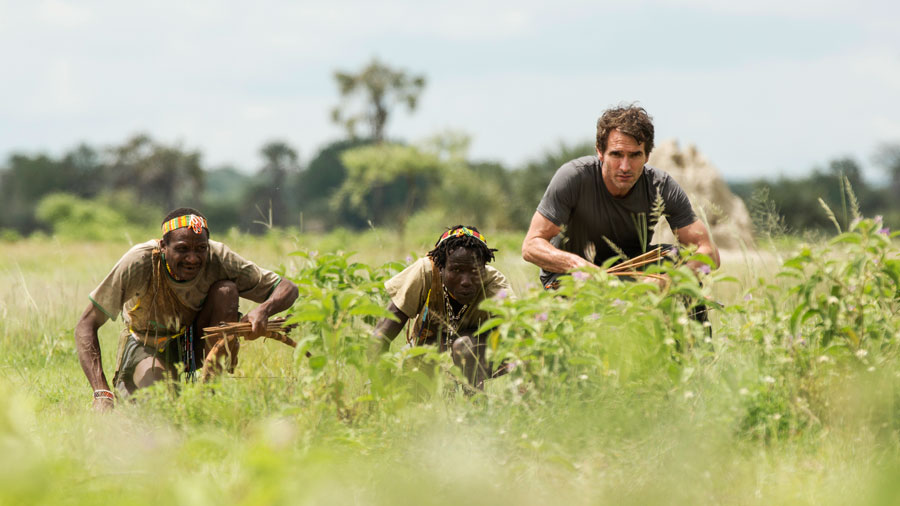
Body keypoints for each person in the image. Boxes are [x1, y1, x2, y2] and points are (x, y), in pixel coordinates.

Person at [75, 207, 299, 410]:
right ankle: (140, 389)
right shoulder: (139, 261)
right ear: (163, 246)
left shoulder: (219, 257)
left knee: (226, 291)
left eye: (201, 248)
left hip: (196, 341)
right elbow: (86, 324)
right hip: (148, 343)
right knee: (160, 405)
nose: (193, 258)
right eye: (182, 249)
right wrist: (101, 392)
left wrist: (264, 310)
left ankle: (213, 394)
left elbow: (287, 288)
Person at [522, 104, 720, 288]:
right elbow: (531, 246)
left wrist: (667, 282)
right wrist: (581, 266)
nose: (625, 167)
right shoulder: (574, 177)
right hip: (572, 276)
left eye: (634, 155)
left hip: (632, 270)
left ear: (647, 156)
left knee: (682, 262)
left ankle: (690, 327)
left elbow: (709, 253)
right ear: (600, 152)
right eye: (616, 154)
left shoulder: (661, 186)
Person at [371, 226, 511, 389]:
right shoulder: (425, 272)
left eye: (474, 270)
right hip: (429, 353)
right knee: (410, 383)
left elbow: (518, 337)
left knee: (464, 346)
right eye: (456, 270)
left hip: (478, 352)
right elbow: (380, 336)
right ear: (441, 267)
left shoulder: (494, 284)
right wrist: (380, 390)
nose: (465, 281)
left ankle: (475, 406)